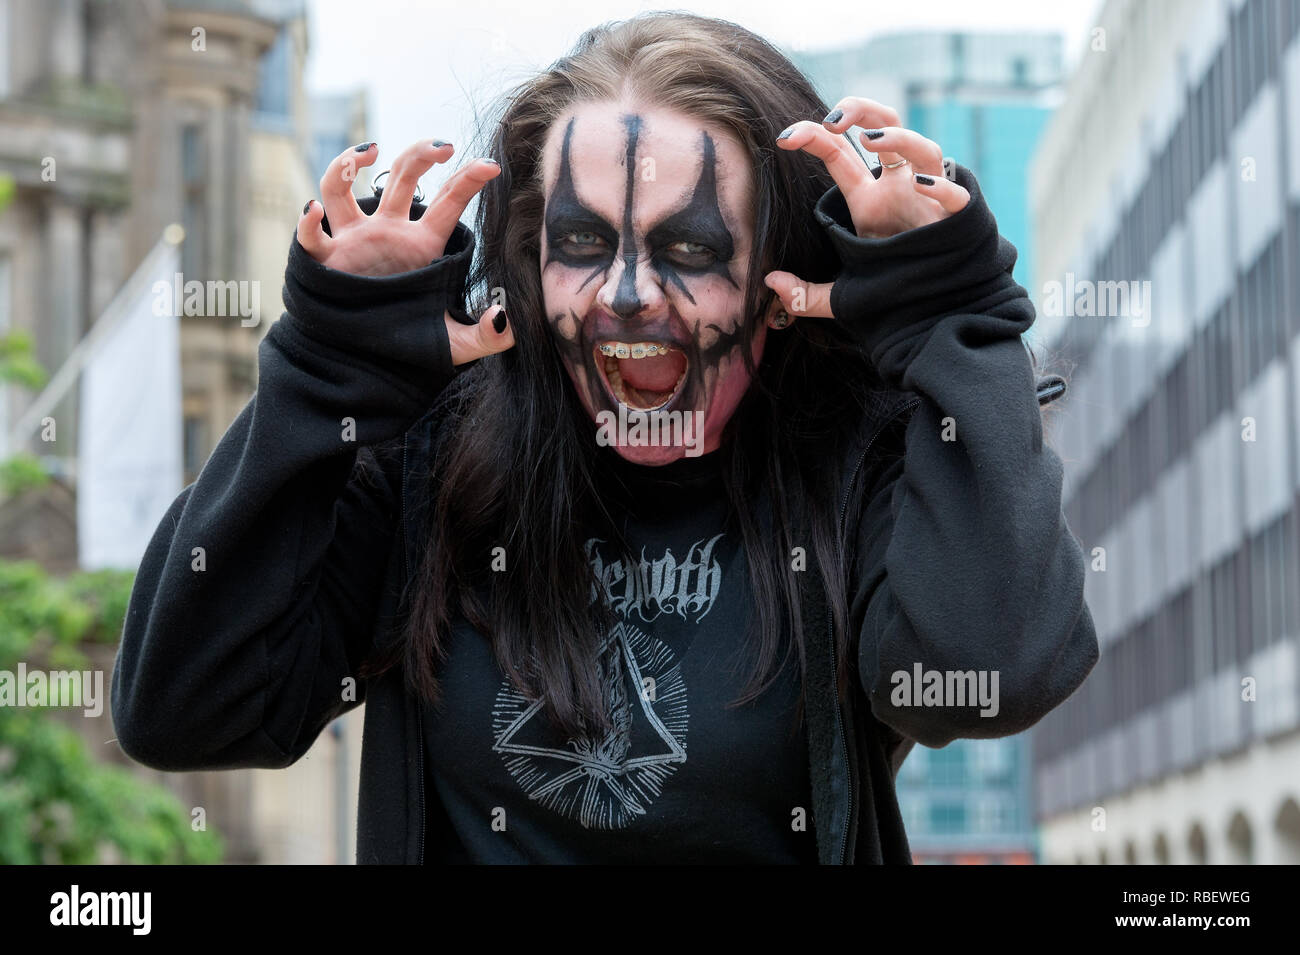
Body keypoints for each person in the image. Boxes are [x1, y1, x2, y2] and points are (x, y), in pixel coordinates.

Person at [111, 12, 1098, 864]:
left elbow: (987, 681)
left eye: (692, 249)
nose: (627, 295)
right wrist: (323, 374)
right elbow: (187, 706)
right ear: (530, 261)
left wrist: (953, 324)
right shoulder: (431, 463)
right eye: (581, 245)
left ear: (777, 276)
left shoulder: (852, 470)